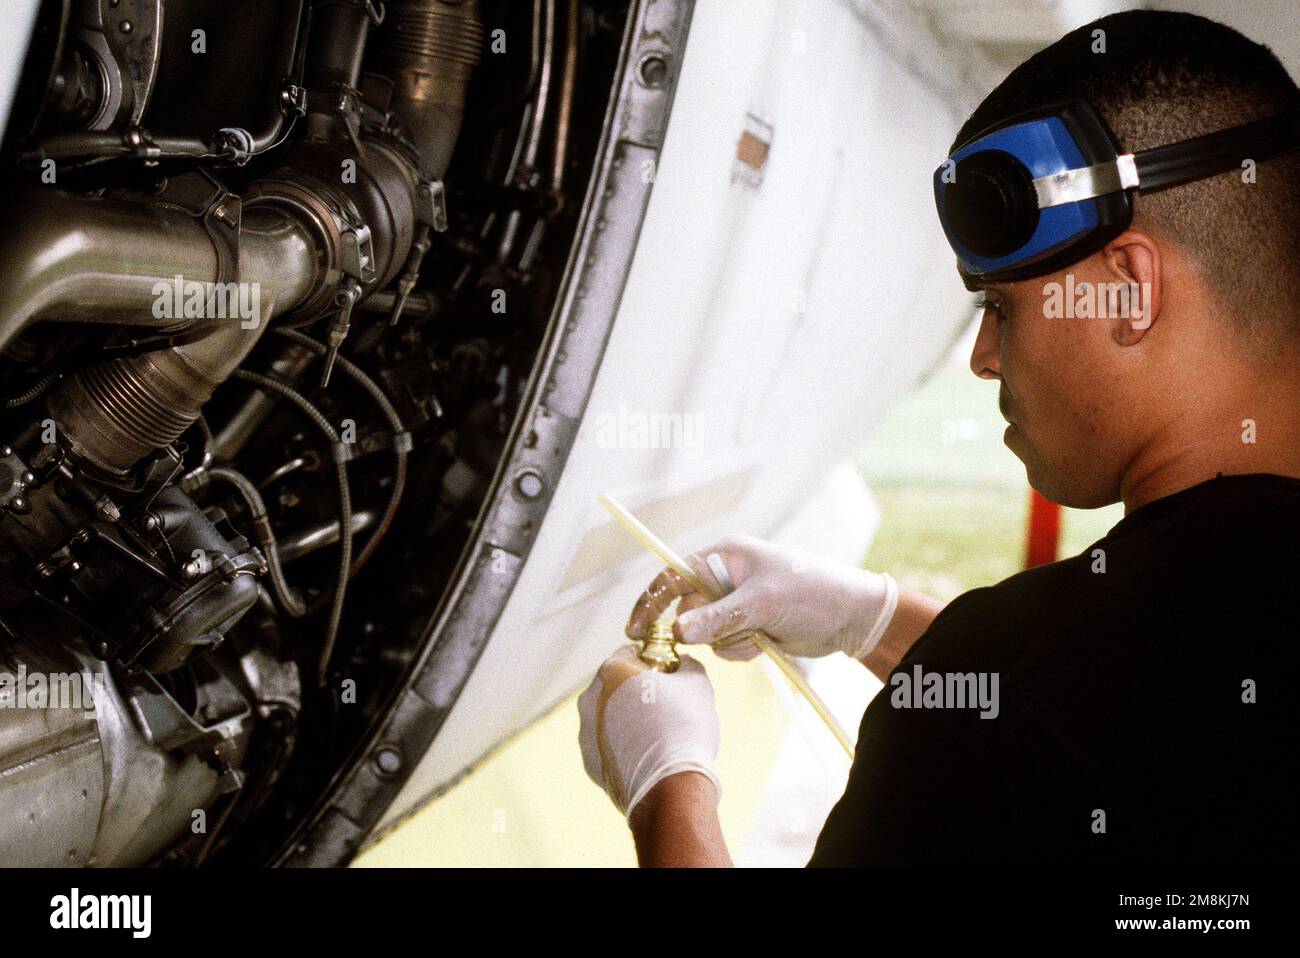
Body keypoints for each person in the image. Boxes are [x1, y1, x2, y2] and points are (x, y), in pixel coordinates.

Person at [577, 9, 1300, 867]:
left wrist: (668, 786)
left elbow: (1064, 711)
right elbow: (1142, 712)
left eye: (1000, 307)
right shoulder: (1061, 680)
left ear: (1128, 290)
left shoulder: (1012, 701)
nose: (986, 359)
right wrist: (867, 619)